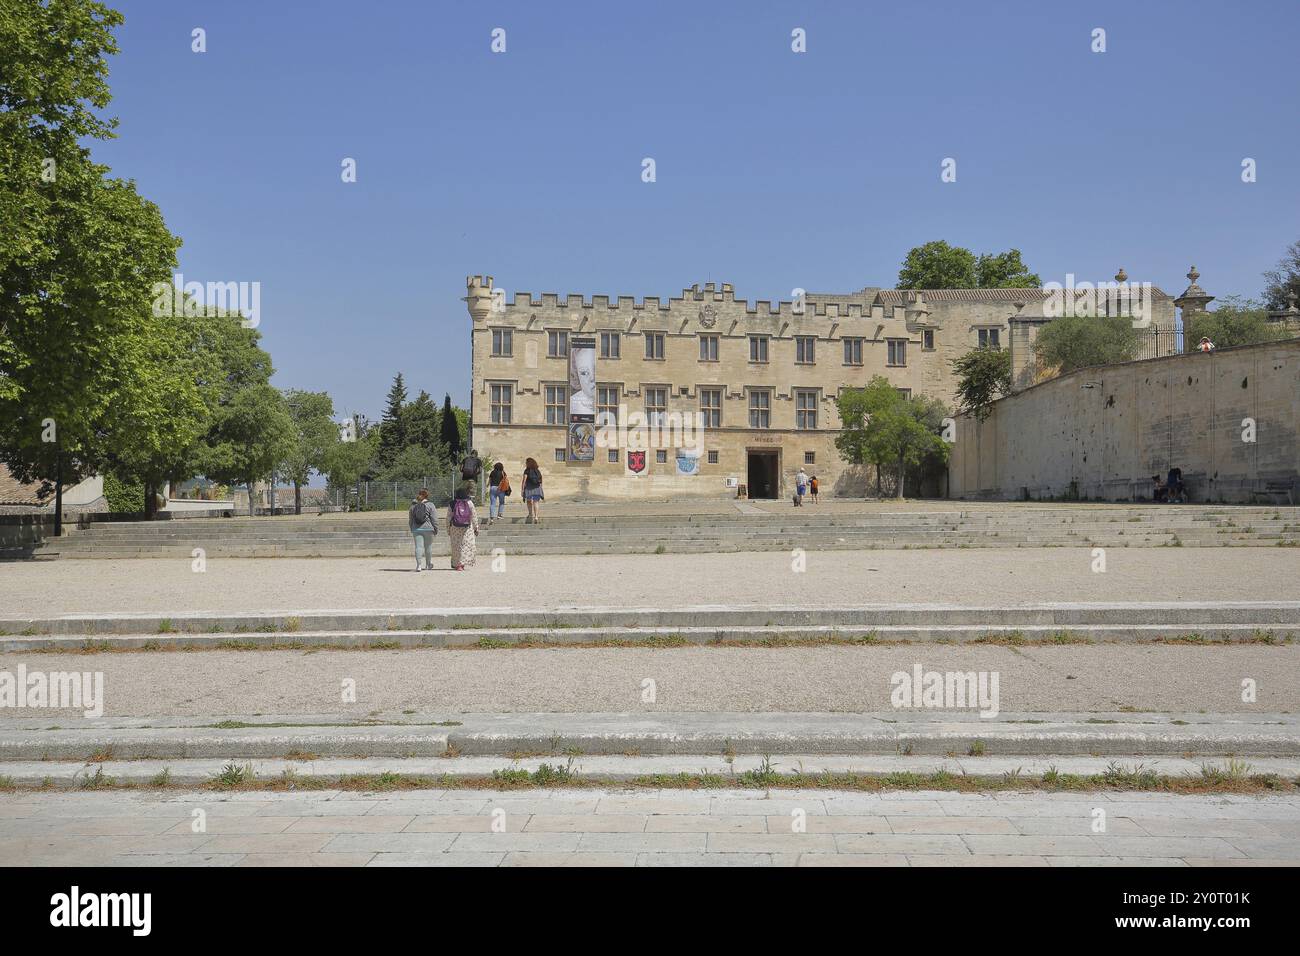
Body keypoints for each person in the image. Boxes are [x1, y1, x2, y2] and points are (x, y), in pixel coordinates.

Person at [446, 484, 480, 570]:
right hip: (467, 527)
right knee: (466, 545)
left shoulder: (452, 503)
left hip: (455, 527)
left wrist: (448, 529)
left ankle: (458, 564)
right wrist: (476, 527)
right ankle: (462, 564)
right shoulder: (469, 502)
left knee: (456, 546)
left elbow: (448, 517)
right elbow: (474, 516)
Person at [407, 488, 437, 571]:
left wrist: (412, 528)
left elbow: (410, 520)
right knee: (428, 547)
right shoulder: (431, 505)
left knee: (418, 547)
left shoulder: (413, 506)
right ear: (427, 495)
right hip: (428, 529)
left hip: (416, 529)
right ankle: (428, 564)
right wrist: (435, 529)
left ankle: (418, 565)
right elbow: (434, 519)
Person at [522, 457, 544, 523]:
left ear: (528, 463)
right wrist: (541, 487)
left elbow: (524, 480)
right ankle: (536, 516)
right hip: (537, 488)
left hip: (529, 488)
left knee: (529, 501)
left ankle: (530, 514)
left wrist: (522, 489)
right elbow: (541, 479)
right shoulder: (537, 470)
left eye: (526, 462)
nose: (525, 464)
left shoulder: (527, 470)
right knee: (536, 502)